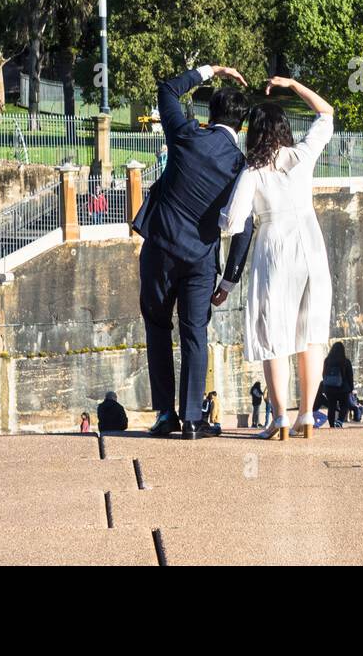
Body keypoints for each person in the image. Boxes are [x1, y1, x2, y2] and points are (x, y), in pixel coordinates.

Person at [132, 61, 254, 440]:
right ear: (241, 125)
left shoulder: (186, 135)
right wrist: (230, 280)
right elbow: (244, 226)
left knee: (156, 328)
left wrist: (209, 70)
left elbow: (167, 90)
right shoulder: (240, 166)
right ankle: (192, 420)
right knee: (194, 334)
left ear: (209, 114)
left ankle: (166, 414)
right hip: (201, 260)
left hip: (160, 247)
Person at [220, 75, 335, 441]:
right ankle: (306, 414)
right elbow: (326, 113)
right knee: (310, 334)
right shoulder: (302, 156)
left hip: (274, 248)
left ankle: (279, 417)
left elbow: (233, 222)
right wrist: (293, 84)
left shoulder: (253, 172)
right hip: (310, 243)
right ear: (284, 130)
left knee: (275, 335)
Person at [321, 342, 354, 429]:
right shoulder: (345, 361)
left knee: (331, 406)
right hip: (342, 388)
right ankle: (339, 421)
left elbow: (323, 374)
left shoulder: (327, 361)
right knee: (344, 406)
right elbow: (350, 376)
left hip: (330, 388)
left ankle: (331, 424)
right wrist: (351, 388)